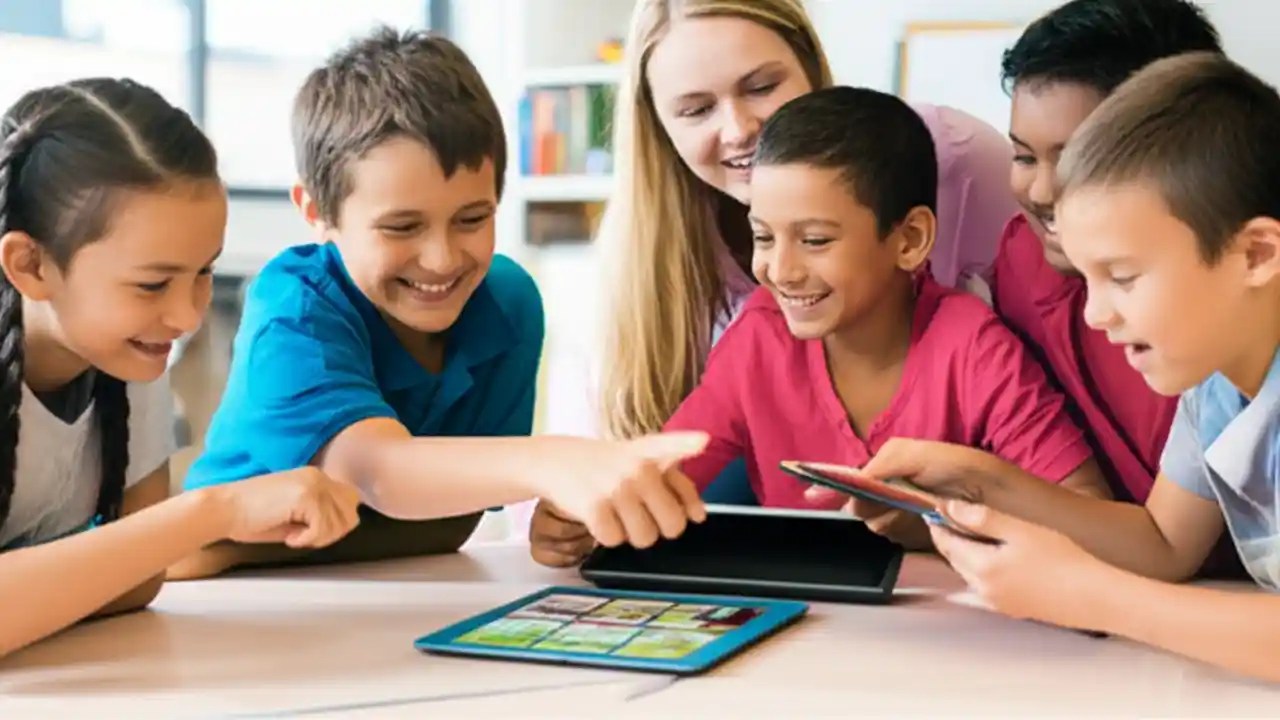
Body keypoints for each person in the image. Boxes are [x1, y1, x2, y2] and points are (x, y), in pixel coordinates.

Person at [176, 28, 708, 579]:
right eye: (402, 227)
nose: (442, 259)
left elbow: (455, 514)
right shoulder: (296, 310)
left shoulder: (507, 302)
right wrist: (553, 462)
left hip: (400, 589)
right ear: (316, 211)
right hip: (231, 595)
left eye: (472, 219)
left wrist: (563, 515)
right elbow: (379, 475)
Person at [530, 87, 1106, 566]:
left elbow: (1090, 514)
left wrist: (938, 523)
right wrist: (586, 513)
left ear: (909, 240)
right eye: (763, 236)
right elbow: (662, 475)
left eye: (814, 240)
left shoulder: (972, 347)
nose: (780, 271)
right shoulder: (759, 337)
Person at [852, 53, 1280, 684]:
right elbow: (1163, 543)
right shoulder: (1215, 386)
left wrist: (1091, 596)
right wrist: (983, 482)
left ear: (1257, 254)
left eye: (1123, 277)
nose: (1096, 315)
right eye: (1089, 278)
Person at [0, 78, 360, 658]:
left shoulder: (127, 357)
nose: (187, 315)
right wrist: (214, 512)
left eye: (203, 272)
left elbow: (139, 583)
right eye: (151, 284)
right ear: (30, 264)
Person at [989, 0, 1222, 501]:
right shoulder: (1022, 259)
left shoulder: (1235, 295)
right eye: (1023, 157)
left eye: (1075, 159)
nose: (1041, 192)